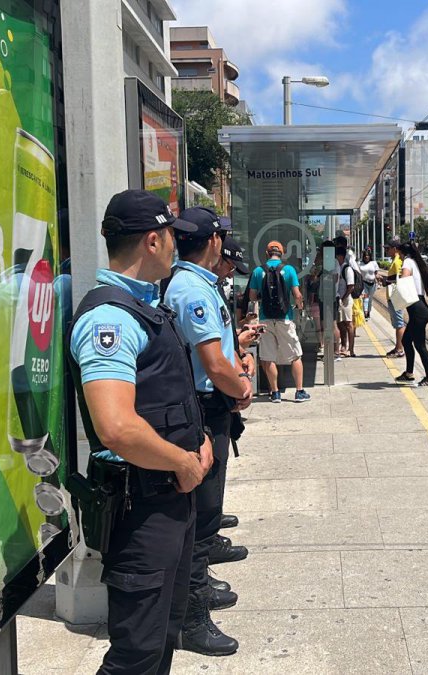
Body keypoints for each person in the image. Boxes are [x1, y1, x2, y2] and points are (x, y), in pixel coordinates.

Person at [67, 189, 213, 673]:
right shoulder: (109, 319)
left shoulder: (148, 305)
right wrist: (183, 461)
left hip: (170, 498)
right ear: (153, 240)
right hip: (141, 507)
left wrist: (200, 440)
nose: (176, 245)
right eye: (172, 235)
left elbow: (167, 395)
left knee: (162, 636)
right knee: (136, 653)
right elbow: (116, 427)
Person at [165, 208, 253, 656]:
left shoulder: (197, 284)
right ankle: (192, 618)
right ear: (214, 242)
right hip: (202, 406)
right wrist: (241, 386)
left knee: (205, 509)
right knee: (198, 515)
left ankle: (197, 592)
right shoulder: (190, 288)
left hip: (211, 405)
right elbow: (213, 363)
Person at [248, 241, 310, 403]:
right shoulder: (289, 270)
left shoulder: (257, 271)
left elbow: (252, 297)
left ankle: (275, 393)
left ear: (267, 254)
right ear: (281, 254)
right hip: (285, 318)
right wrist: (300, 306)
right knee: (295, 355)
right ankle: (299, 391)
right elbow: (297, 294)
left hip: (265, 319)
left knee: (268, 357)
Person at [394, 242, 428, 387]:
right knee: (407, 341)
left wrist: (397, 282)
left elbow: (405, 277)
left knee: (420, 345)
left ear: (402, 253)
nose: (399, 258)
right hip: (420, 308)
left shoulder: (408, 261)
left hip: (418, 311)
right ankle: (409, 373)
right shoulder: (415, 262)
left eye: (399, 255)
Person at [379, 239, 405, 357]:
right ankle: (398, 347)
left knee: (399, 323)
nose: (386, 251)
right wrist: (386, 280)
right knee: (396, 322)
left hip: (396, 295)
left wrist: (386, 280)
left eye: (387, 249)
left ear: (395, 249)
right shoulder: (395, 260)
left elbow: (401, 278)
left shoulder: (397, 261)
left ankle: (400, 349)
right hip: (393, 295)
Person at [334, 247, 356, 359]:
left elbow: (351, 286)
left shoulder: (347, 269)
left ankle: (351, 349)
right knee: (340, 324)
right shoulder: (338, 268)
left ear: (340, 256)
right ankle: (343, 346)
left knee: (348, 324)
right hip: (340, 299)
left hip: (346, 300)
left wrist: (343, 298)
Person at [359, 250, 380, 319]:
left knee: (370, 299)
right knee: (366, 298)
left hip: (372, 284)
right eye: (365, 256)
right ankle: (365, 313)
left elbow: (376, 273)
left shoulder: (373, 263)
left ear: (370, 256)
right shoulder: (360, 263)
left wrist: (378, 278)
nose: (366, 257)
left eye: (368, 256)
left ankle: (369, 311)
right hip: (364, 283)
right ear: (363, 257)